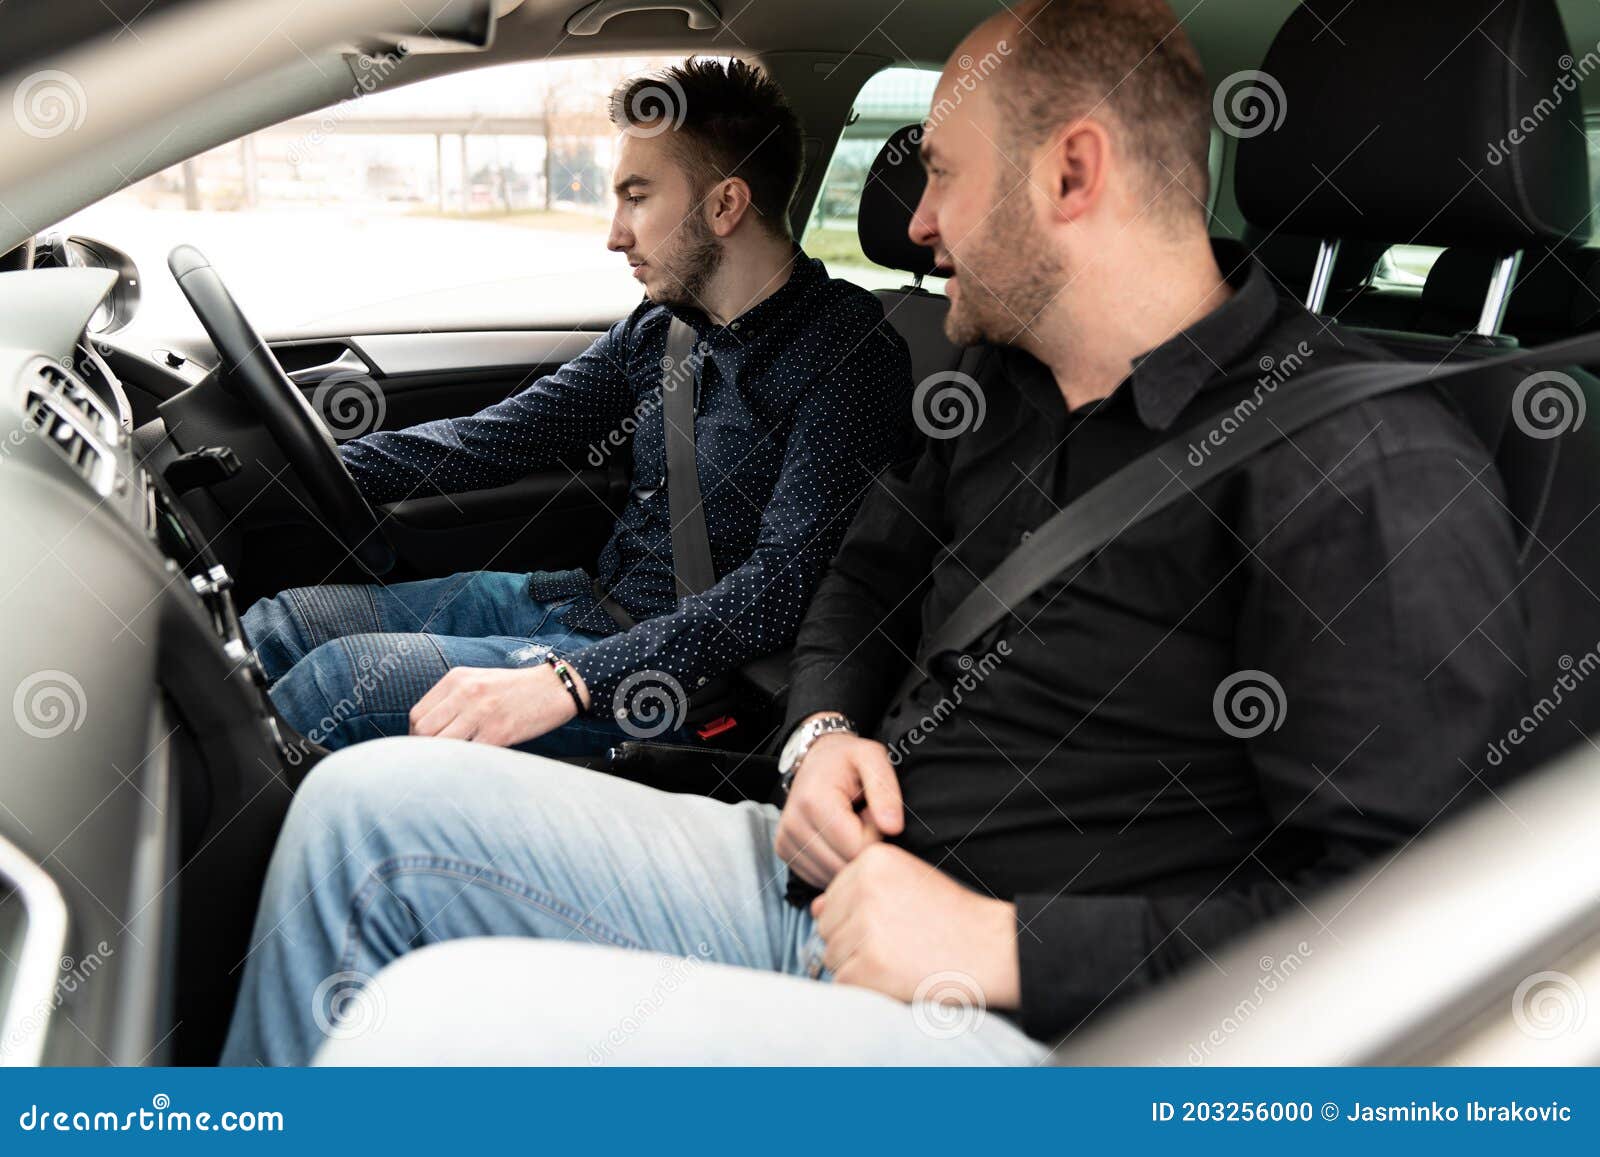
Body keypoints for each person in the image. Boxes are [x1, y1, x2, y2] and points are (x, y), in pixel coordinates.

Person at [223, 0, 1527, 1066]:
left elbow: (1398, 923)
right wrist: (824, 733)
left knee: (423, 1028)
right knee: (359, 812)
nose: (913, 224)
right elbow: (860, 573)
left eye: (943, 177)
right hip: (827, 873)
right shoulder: (1003, 392)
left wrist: (1002, 947)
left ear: (1071, 171)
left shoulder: (1362, 465)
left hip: (1038, 1024)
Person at [242, 58, 912, 758]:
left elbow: (781, 586)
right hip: (578, 606)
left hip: (681, 683)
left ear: (725, 206)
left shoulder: (849, 357)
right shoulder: (664, 327)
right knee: (282, 625)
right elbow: (496, 440)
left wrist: (571, 679)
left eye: (637, 197)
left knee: (331, 690)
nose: (615, 234)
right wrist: (291, 472)